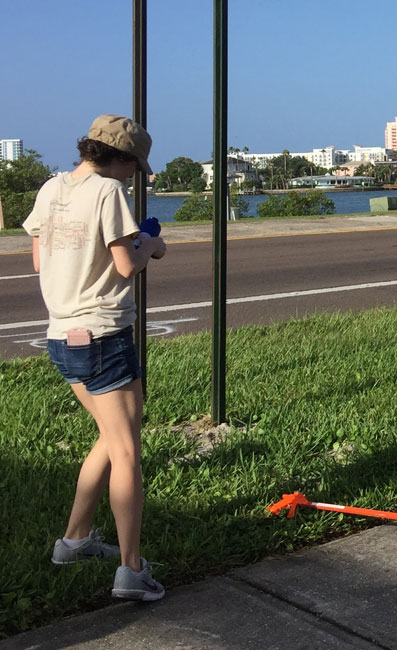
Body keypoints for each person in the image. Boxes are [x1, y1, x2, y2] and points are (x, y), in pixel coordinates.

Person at [23, 115, 168, 601]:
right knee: (127, 450)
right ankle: (131, 571)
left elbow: (41, 260)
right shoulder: (109, 193)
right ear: (120, 158)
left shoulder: (51, 188)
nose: (134, 176)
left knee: (110, 437)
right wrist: (151, 245)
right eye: (135, 166)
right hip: (104, 333)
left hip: (62, 336)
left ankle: (75, 540)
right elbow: (126, 265)